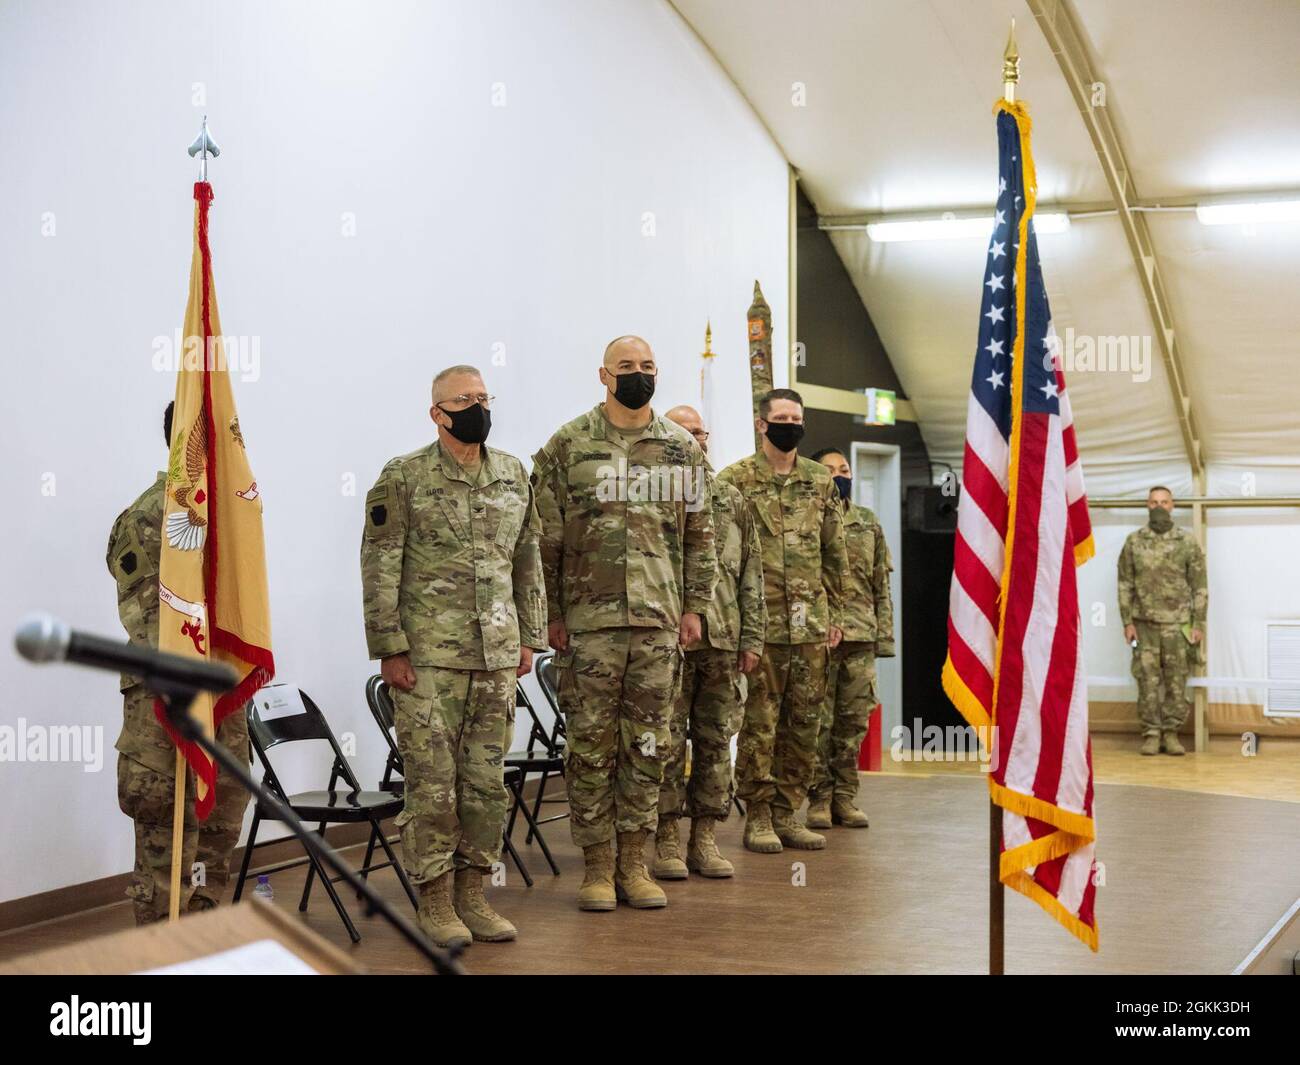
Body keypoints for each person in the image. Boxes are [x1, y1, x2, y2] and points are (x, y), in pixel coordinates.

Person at [361, 365, 546, 947]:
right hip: (428, 660)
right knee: (433, 784)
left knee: (486, 784)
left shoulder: (514, 473)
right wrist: (388, 647)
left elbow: (527, 558)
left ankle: (474, 896)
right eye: (464, 399)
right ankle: (435, 901)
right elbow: (379, 563)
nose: (478, 407)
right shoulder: (404, 476)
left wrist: (529, 636)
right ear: (437, 413)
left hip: (495, 656)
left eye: (484, 397)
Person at [531, 336, 716, 911]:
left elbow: (699, 536)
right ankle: (596, 867)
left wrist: (694, 607)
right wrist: (553, 617)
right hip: (589, 627)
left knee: (648, 745)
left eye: (648, 367)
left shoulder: (682, 449)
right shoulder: (568, 446)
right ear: (604, 375)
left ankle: (635, 865)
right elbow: (545, 542)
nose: (638, 375)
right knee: (589, 748)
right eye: (627, 367)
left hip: (659, 623)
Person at [109, 401, 250, 924]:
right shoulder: (148, 517)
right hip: (164, 705)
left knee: (220, 825)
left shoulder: (233, 517)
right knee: (168, 836)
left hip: (221, 697)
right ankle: (160, 949)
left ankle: (205, 936)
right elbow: (153, 626)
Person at [718, 388, 846, 852]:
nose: (791, 424)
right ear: (762, 424)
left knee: (805, 722)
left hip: (811, 625)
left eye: (797, 417)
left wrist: (835, 613)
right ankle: (757, 816)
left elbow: (835, 552)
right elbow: (722, 559)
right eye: (782, 417)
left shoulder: (820, 480)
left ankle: (789, 812)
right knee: (760, 725)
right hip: (760, 627)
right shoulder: (734, 481)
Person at [653, 405, 765, 880]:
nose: (696, 438)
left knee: (717, 743)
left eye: (701, 431)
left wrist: (753, 637)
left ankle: (704, 838)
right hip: (671, 641)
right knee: (666, 744)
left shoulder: (731, 498)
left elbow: (751, 573)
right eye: (685, 431)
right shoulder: (653, 492)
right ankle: (664, 840)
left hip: (723, 640)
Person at [806, 447, 894, 829]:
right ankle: (819, 798)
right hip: (819, 636)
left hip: (860, 635)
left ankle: (845, 796)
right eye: (831, 470)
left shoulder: (867, 522)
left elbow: (880, 584)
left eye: (844, 469)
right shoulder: (805, 520)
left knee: (853, 721)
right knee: (818, 721)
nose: (840, 475)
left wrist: (884, 638)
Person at [1117, 485, 1207, 756]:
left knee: (1177, 680)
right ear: (1148, 505)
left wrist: (1198, 624)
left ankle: (1171, 733)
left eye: (1164, 502)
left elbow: (1199, 586)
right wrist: (1127, 622)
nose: (1159, 506)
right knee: (1147, 681)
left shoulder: (1187, 542)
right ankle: (1151, 733)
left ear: (1172, 505)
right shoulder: (1134, 541)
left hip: (1178, 625)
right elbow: (1124, 584)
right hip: (1143, 625)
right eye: (1154, 502)